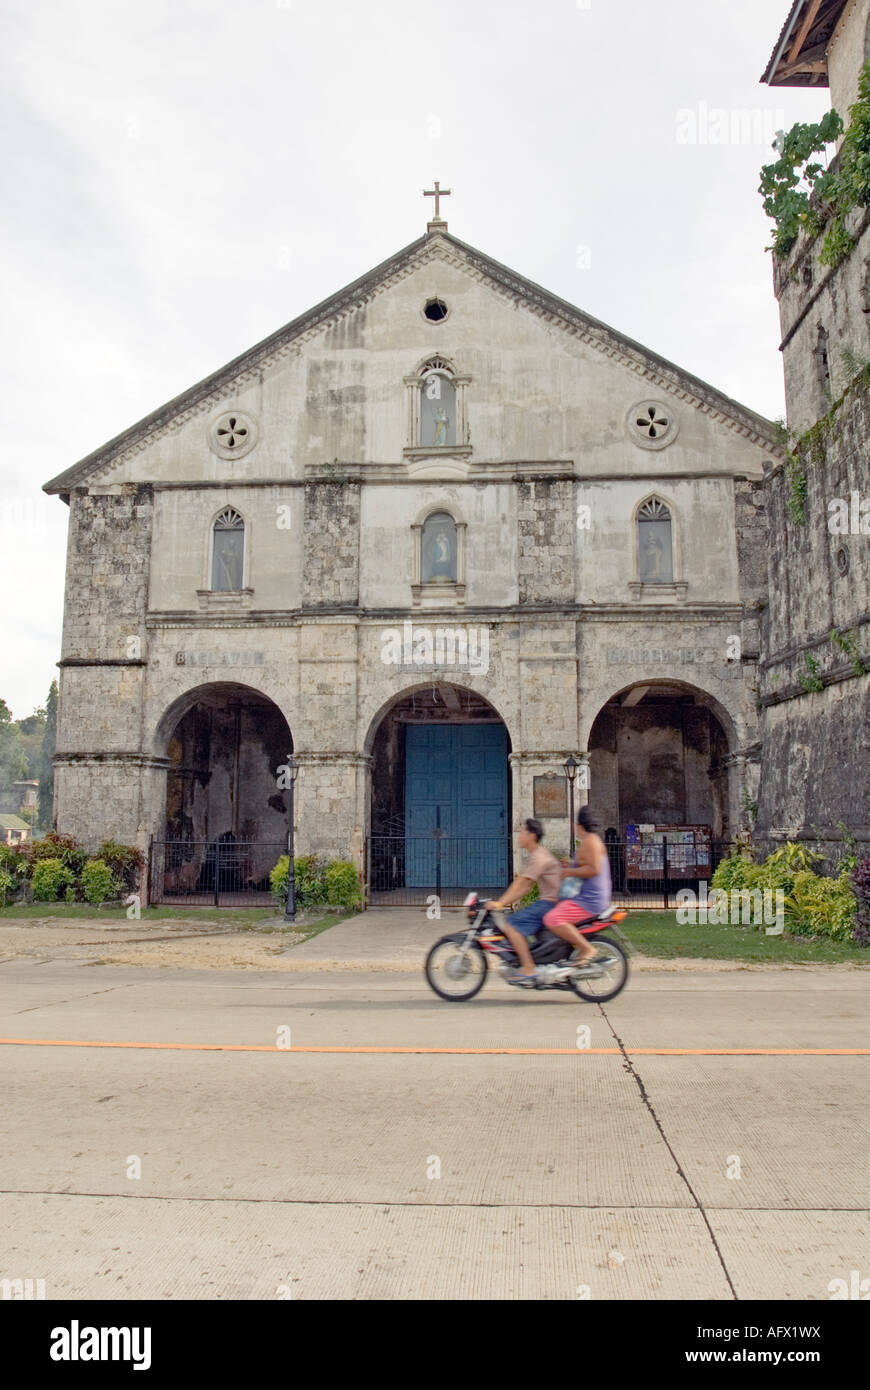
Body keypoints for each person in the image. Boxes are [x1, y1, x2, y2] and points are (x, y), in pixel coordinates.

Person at [485, 818, 561, 986]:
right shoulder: (538, 854)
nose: (519, 836)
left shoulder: (539, 857)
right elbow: (522, 885)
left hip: (549, 904)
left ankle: (528, 967)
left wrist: (499, 904)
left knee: (511, 924)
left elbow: (523, 884)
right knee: (517, 918)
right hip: (548, 902)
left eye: (522, 832)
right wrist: (503, 902)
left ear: (532, 836)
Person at [542, 806, 612, 962]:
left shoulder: (590, 842)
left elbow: (594, 869)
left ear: (579, 826)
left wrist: (570, 872)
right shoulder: (591, 840)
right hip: (587, 897)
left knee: (552, 919)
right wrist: (569, 865)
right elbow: (585, 864)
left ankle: (587, 948)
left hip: (589, 901)